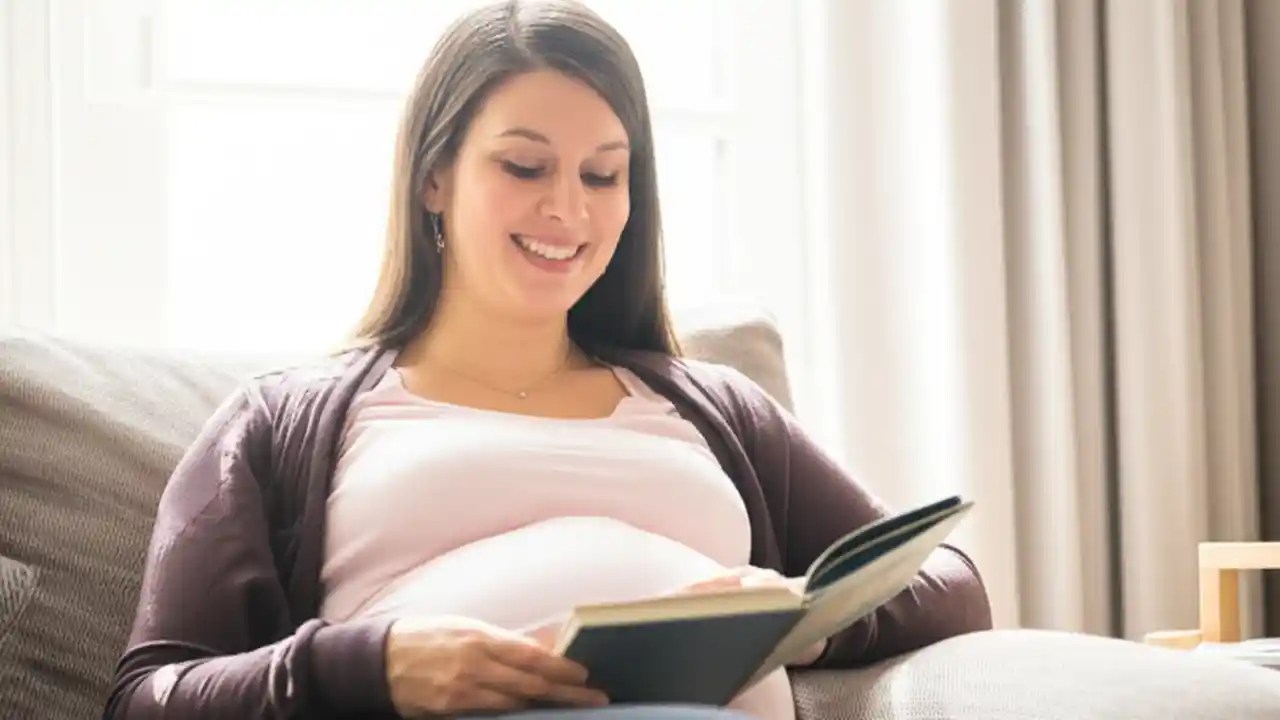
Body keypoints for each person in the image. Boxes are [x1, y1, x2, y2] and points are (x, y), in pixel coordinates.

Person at [103, 1, 993, 718]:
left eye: (603, 175)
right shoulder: (282, 422)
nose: (567, 210)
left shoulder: (712, 407)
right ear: (433, 178)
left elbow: (950, 586)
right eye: (525, 166)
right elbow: (150, 694)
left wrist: (801, 614)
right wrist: (364, 667)